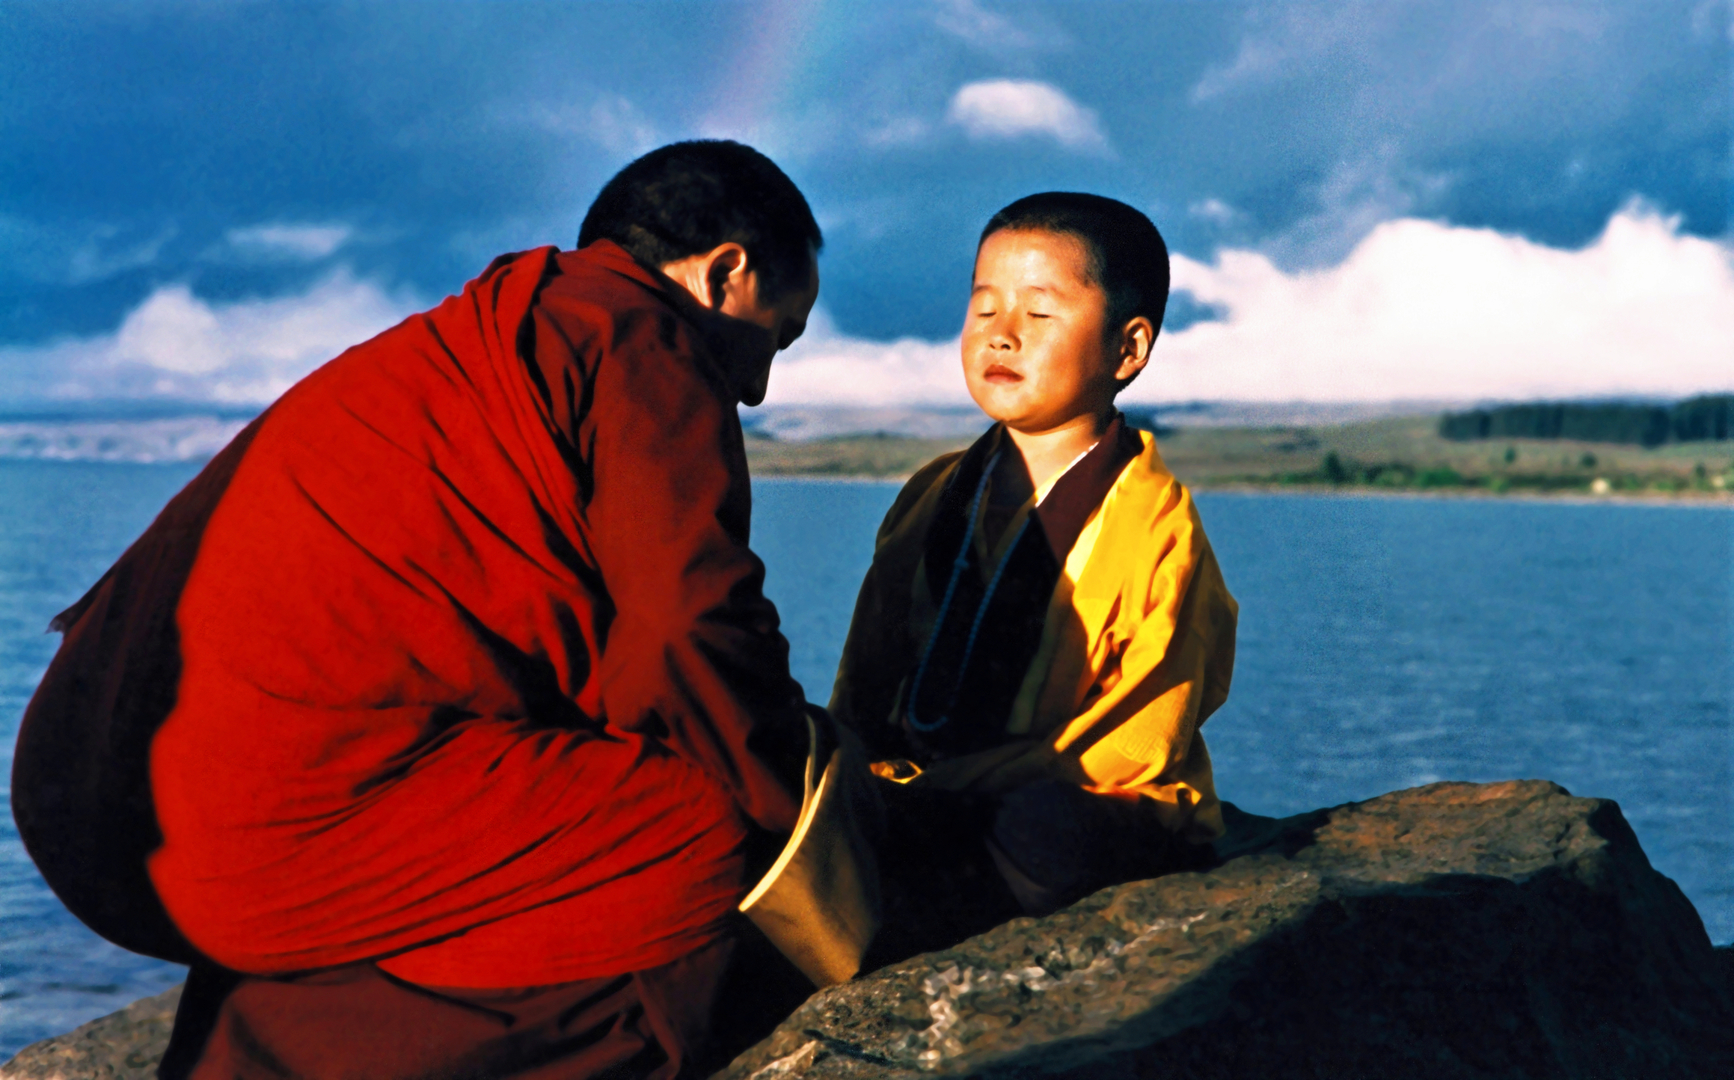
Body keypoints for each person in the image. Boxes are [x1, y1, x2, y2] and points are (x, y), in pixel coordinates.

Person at [11, 140, 825, 1079]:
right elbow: (686, 629)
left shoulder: (462, 340)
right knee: (689, 832)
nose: (760, 386)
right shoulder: (638, 335)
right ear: (728, 272)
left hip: (93, 798)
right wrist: (796, 796)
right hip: (233, 834)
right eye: (781, 333)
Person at [829, 193, 1239, 959]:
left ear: (1129, 349)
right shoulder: (935, 492)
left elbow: (1138, 737)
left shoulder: (1154, 522)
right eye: (984, 310)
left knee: (1047, 832)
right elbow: (870, 670)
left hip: (1068, 799)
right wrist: (854, 765)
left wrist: (949, 788)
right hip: (932, 785)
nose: (1003, 335)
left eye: (1039, 314)